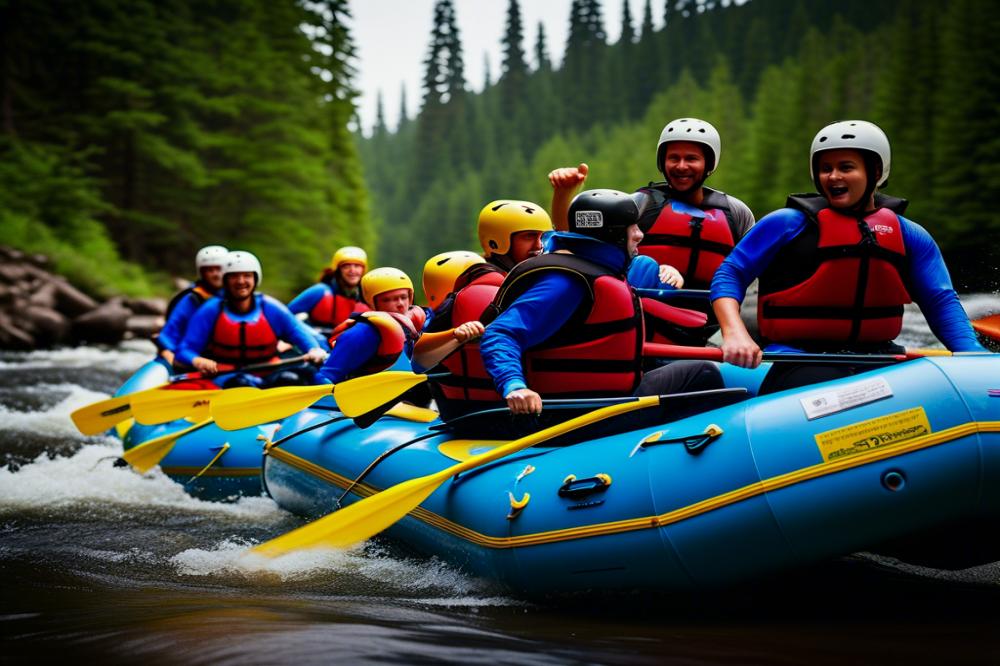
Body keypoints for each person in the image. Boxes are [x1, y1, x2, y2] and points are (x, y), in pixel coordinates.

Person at [711, 120, 986, 393]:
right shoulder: (786, 224)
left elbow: (940, 300)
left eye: (846, 167)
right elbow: (730, 273)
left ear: (875, 172)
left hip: (882, 358)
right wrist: (735, 332)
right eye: (825, 169)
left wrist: (971, 353)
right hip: (798, 360)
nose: (833, 177)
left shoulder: (908, 235)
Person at [481, 189, 721, 418]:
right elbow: (500, 333)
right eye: (633, 227)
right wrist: (514, 386)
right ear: (613, 236)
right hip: (578, 412)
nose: (640, 234)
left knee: (676, 367)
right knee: (703, 373)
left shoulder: (597, 269)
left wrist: (670, 274)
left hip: (602, 398)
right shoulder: (566, 283)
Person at [548, 117, 755, 290]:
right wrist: (563, 194)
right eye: (673, 158)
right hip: (648, 315)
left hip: (715, 324)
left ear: (709, 164)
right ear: (662, 162)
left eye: (691, 158)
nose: (681, 166)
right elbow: (577, 243)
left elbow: (753, 272)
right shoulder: (641, 203)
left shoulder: (736, 213)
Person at [176, 251, 326, 388]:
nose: (241, 281)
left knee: (291, 379)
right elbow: (185, 350)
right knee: (241, 384)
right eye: (234, 276)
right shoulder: (211, 310)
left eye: (247, 275)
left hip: (269, 371)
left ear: (255, 279)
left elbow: (299, 334)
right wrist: (197, 360)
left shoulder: (271, 308)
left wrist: (314, 349)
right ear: (225, 280)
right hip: (228, 376)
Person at [411, 251, 502, 418]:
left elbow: (418, 365)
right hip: (515, 410)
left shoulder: (445, 312)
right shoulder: (510, 297)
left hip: (462, 416)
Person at [314, 267, 428, 384]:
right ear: (372, 303)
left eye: (403, 297)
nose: (400, 304)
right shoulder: (362, 333)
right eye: (388, 300)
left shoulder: (418, 322)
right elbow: (325, 377)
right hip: (368, 396)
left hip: (406, 391)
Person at [156, 245, 227, 366]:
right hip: (194, 356)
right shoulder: (192, 299)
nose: (216, 274)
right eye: (210, 270)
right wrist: (173, 354)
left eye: (219, 269)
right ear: (202, 273)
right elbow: (168, 335)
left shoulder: (237, 297)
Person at [287, 246, 369, 336]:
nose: (352, 270)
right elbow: (285, 316)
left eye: (357, 266)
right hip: (314, 342)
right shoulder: (320, 291)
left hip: (342, 344)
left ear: (363, 270)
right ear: (338, 270)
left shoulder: (366, 298)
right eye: (346, 266)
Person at [477, 200, 553, 272]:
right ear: (495, 242)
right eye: (529, 236)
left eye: (544, 236)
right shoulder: (488, 281)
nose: (539, 245)